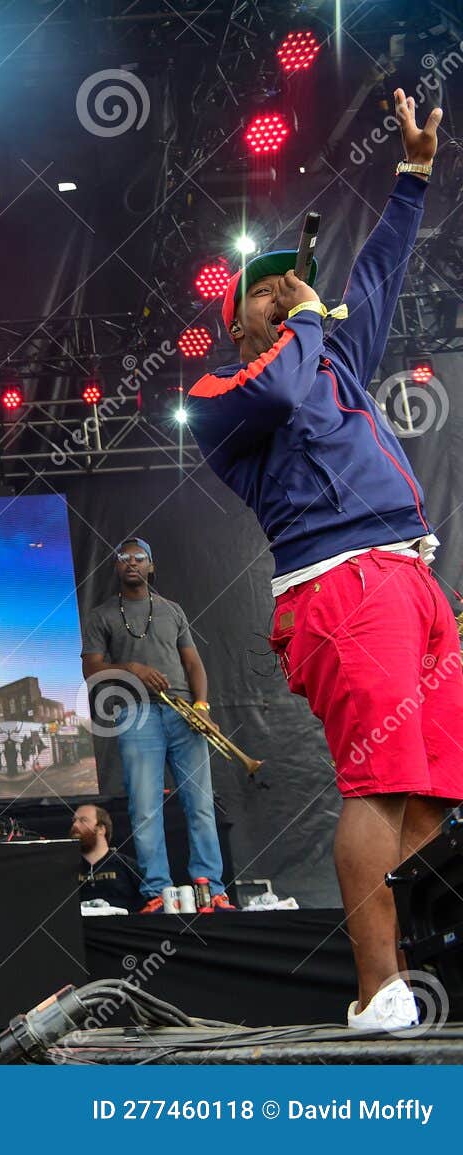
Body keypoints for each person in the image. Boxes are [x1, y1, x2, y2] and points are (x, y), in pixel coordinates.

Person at [185, 90, 457, 1030]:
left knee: (435, 791)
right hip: (337, 586)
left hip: (410, 579)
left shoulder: (327, 353)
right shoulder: (224, 393)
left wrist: (412, 176)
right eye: (260, 290)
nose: (282, 290)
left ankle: (397, 955)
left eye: (285, 281)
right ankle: (377, 989)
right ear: (240, 323)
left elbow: (378, 272)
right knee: (379, 784)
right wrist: (302, 318)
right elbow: (289, 380)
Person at [81, 538, 231, 914]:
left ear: (151, 566)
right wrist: (130, 668)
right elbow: (91, 670)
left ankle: (211, 889)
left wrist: (201, 706)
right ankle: (156, 893)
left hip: (184, 712)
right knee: (146, 808)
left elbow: (194, 664)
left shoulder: (172, 610)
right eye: (124, 558)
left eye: (140, 558)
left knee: (200, 805)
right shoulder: (101, 615)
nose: (132, 563)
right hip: (136, 713)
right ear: (116, 567)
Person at [70, 803, 140, 910]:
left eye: (83, 820)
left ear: (101, 829)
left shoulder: (128, 866)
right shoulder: (67, 869)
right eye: (74, 821)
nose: (75, 825)